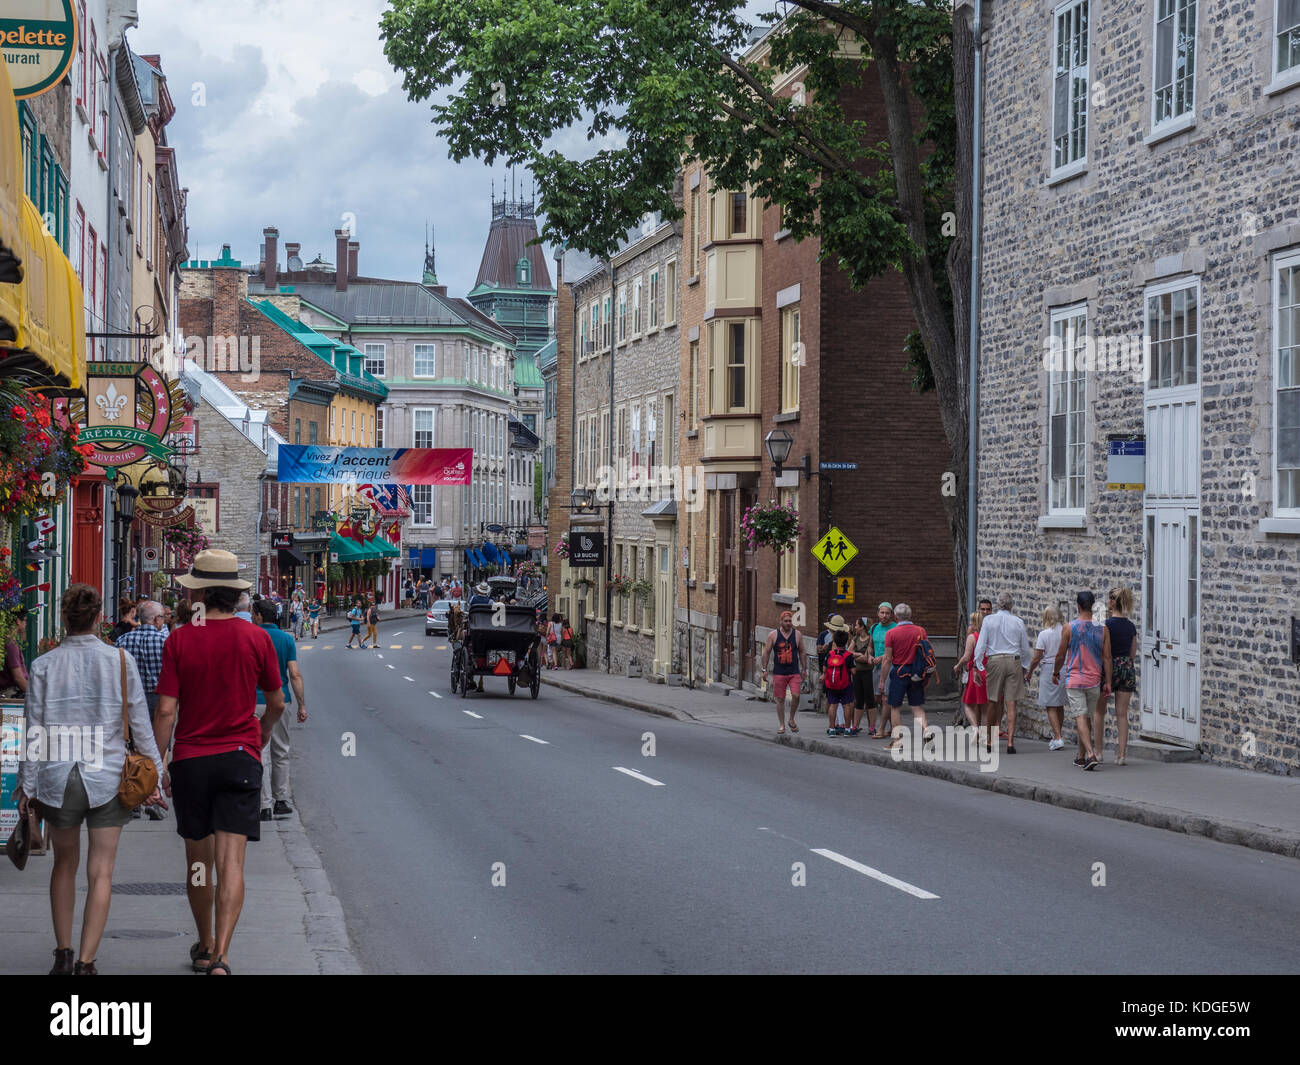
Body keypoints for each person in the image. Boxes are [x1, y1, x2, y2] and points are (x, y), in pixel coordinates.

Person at [14, 584, 164, 975]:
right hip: (107, 776)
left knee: (63, 864)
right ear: (99, 618)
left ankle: (62, 953)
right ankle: (86, 961)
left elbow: (35, 732)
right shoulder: (119, 660)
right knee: (101, 872)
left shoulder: (44, 665)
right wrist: (157, 777)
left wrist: (26, 787)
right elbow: (141, 725)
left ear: (64, 618)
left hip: (58, 778)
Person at [154, 549, 285, 975]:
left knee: (198, 863)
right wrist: (259, 737)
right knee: (232, 863)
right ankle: (223, 957)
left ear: (202, 593)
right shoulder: (257, 639)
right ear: (234, 594)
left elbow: (166, 711)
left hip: (191, 761)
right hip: (240, 758)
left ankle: (205, 943)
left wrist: (159, 763)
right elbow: (277, 703)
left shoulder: (179, 638)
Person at [253, 599, 307, 821]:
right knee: (281, 750)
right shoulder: (286, 639)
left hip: (254, 702)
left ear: (257, 616)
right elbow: (294, 674)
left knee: (259, 752)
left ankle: (263, 804)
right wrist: (302, 704)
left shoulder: (251, 637)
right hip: (281, 700)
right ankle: (281, 800)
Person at [116, 600, 169, 821]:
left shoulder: (122, 641)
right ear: (157, 620)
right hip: (159, 699)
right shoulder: (167, 641)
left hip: (129, 700)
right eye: (163, 618)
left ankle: (134, 798)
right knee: (158, 749)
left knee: (130, 747)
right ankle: (154, 794)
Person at [1052, 590, 1112, 771]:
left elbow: (1061, 655)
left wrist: (1055, 672)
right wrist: (1108, 681)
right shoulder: (1103, 629)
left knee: (1080, 717)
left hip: (1075, 678)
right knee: (1086, 719)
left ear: (1078, 606)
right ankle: (1080, 756)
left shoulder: (1069, 628)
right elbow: (1107, 657)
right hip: (1094, 680)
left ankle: (1091, 754)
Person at [972, 592, 1033, 754]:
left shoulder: (989, 620)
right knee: (1011, 702)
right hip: (1014, 660)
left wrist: (978, 665)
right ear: (1011, 605)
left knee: (992, 700)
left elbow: (981, 644)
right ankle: (1011, 742)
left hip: (995, 660)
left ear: (998, 605)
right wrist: (1025, 667)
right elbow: (1025, 648)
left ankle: (990, 740)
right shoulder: (1018, 622)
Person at [878, 603, 930, 749]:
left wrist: (882, 680)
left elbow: (887, 659)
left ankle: (897, 741)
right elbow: (927, 653)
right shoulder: (920, 631)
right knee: (916, 706)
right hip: (917, 673)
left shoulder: (892, 633)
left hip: (899, 671)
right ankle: (926, 731)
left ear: (895, 616)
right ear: (910, 615)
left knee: (895, 706)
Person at [1102, 587, 1137, 765]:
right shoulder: (1131, 626)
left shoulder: (1106, 625)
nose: (1107, 602)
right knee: (1122, 713)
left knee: (1098, 711)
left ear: (1113, 602)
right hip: (1126, 667)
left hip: (1109, 667)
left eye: (1109, 599)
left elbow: (1102, 650)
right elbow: (1133, 653)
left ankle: (1098, 752)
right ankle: (1122, 755)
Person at [1025, 606, 1068, 750]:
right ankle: (1058, 735)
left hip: (1050, 667)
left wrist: (1030, 671)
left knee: (1050, 705)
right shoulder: (1066, 631)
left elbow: (1037, 657)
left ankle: (1058, 737)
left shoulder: (1044, 634)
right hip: (1064, 667)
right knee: (1059, 703)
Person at [760, 610, 806, 735]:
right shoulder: (773, 635)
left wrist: (804, 668)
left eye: (790, 621)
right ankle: (781, 724)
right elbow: (766, 652)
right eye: (785, 621)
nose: (788, 623)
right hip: (779, 672)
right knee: (780, 699)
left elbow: (802, 652)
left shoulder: (797, 635)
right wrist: (764, 670)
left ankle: (791, 719)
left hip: (794, 671)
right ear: (781, 622)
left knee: (796, 695)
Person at [953, 611, 988, 732]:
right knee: (984, 707)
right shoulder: (988, 637)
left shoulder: (972, 637)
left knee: (967, 704)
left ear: (974, 623)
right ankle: (983, 735)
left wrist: (958, 665)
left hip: (975, 672)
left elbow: (967, 657)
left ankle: (975, 727)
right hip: (987, 672)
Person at [865, 603, 896, 736]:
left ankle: (882, 728)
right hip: (876, 667)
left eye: (887, 613)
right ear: (878, 613)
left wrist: (882, 658)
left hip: (890, 666)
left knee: (885, 698)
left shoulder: (895, 628)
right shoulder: (874, 628)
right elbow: (870, 645)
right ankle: (893, 726)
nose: (884, 615)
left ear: (892, 614)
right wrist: (870, 656)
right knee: (877, 698)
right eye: (882, 613)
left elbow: (895, 651)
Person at [822, 617, 856, 736]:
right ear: (846, 641)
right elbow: (853, 671)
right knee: (846, 705)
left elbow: (825, 669)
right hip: (845, 684)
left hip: (831, 684)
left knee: (833, 705)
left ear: (835, 641)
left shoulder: (830, 654)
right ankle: (847, 729)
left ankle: (832, 729)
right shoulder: (848, 655)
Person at [850, 617, 875, 735]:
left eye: (856, 625)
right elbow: (848, 653)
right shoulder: (855, 638)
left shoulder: (870, 639)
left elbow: (866, 658)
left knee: (870, 700)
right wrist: (857, 654)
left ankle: (872, 727)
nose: (855, 627)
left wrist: (856, 656)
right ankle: (855, 726)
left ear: (862, 627)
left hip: (867, 672)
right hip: (857, 673)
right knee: (858, 699)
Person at [1, 605, 29, 696]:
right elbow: (18, 678)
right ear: (18, 621)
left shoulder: (10, 642)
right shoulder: (11, 645)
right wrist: (34, 694)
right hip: (12, 693)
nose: (26, 624)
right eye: (25, 620)